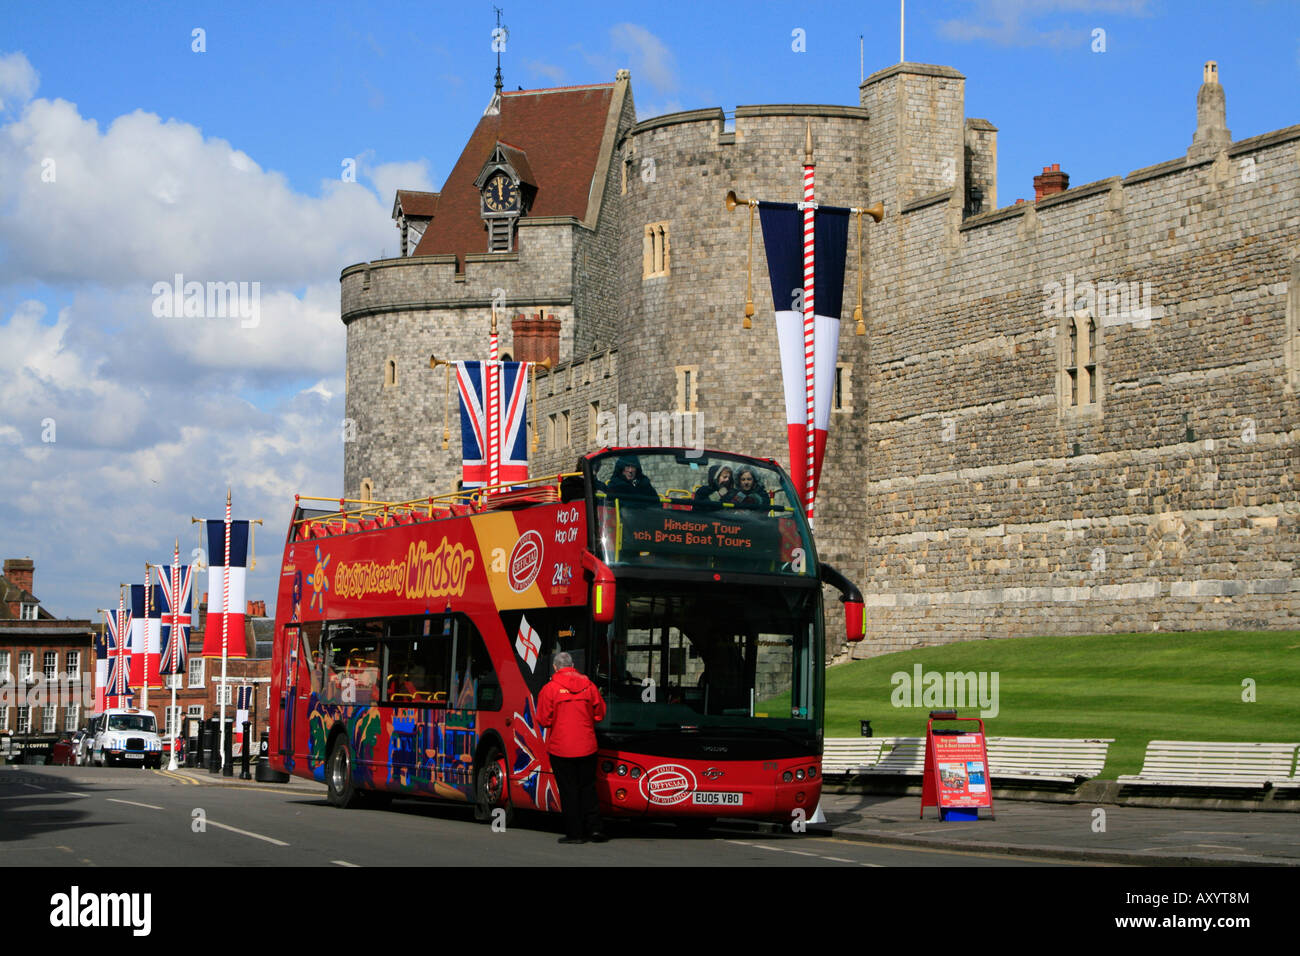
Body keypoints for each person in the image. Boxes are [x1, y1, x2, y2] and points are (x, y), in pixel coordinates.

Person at [537, 651, 608, 844]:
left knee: (569, 790)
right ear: (573, 666)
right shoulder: (589, 686)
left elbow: (543, 719)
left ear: (555, 667)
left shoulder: (550, 689)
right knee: (588, 788)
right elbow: (600, 713)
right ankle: (595, 829)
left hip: (561, 747)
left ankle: (575, 833)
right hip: (587, 746)